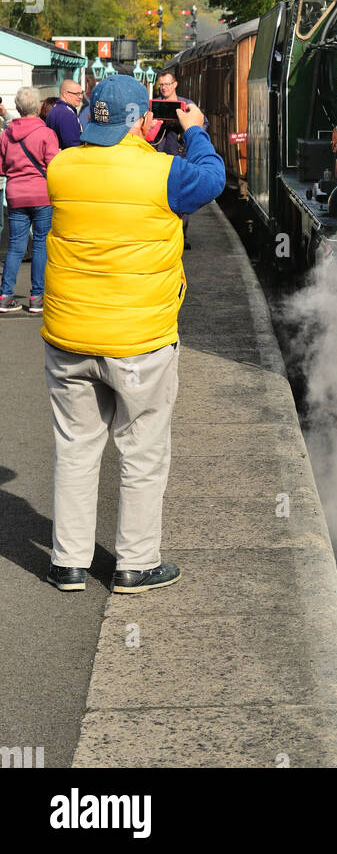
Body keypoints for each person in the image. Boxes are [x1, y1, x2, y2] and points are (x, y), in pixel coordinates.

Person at [42, 74, 225, 593]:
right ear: (143, 121)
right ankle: (135, 563)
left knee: (76, 447)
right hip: (140, 340)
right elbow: (212, 179)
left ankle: (68, 563)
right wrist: (194, 130)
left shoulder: (62, 167)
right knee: (142, 450)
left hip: (69, 336)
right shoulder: (164, 173)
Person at [0, 87, 60, 314]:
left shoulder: (7, 134)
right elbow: (53, 166)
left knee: (15, 246)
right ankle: (37, 297)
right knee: (41, 243)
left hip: (15, 194)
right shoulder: (46, 133)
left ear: (17, 107)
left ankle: (5, 295)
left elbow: (2, 166)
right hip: (41, 193)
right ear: (37, 107)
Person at [146, 69, 208, 249]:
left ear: (175, 85)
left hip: (180, 156)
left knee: (181, 198)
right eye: (161, 84)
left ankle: (182, 235)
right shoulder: (154, 105)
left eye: (167, 84)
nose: (164, 88)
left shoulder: (187, 105)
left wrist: (184, 125)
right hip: (157, 157)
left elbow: (202, 124)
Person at [46, 79, 84, 149]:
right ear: (65, 94)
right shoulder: (67, 114)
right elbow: (73, 146)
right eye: (77, 94)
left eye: (81, 93)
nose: (80, 97)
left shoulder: (55, 109)